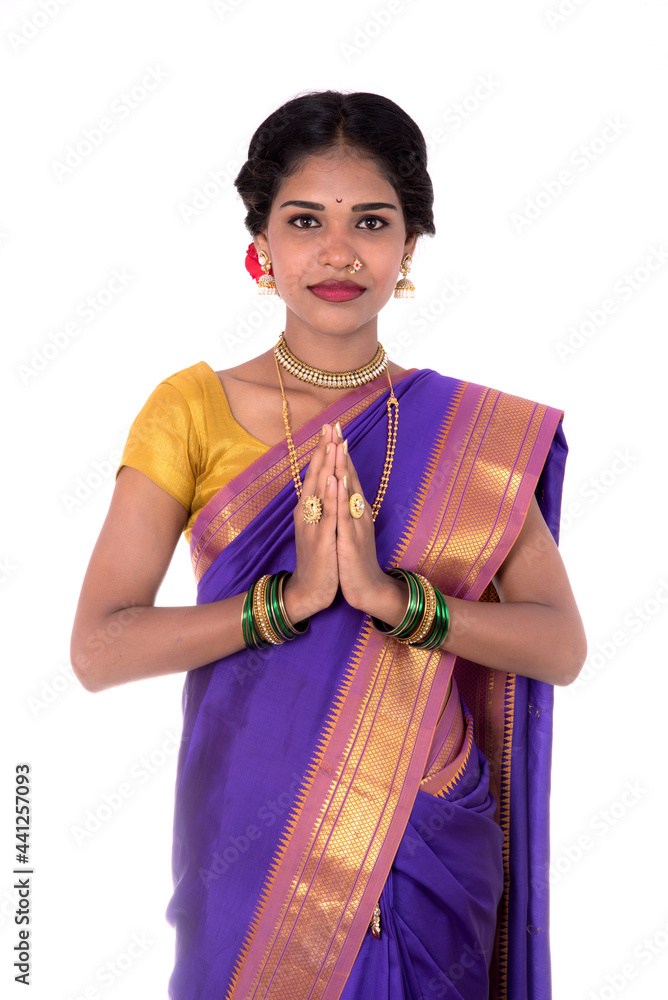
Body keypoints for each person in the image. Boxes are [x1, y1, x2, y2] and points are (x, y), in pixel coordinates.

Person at [70, 90, 587, 1000]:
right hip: (252, 839)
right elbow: (99, 649)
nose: (339, 251)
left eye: (372, 222)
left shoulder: (469, 431)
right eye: (305, 220)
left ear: (409, 250)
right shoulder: (191, 410)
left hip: (427, 827)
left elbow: (560, 644)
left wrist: (398, 602)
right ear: (261, 245)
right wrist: (289, 602)